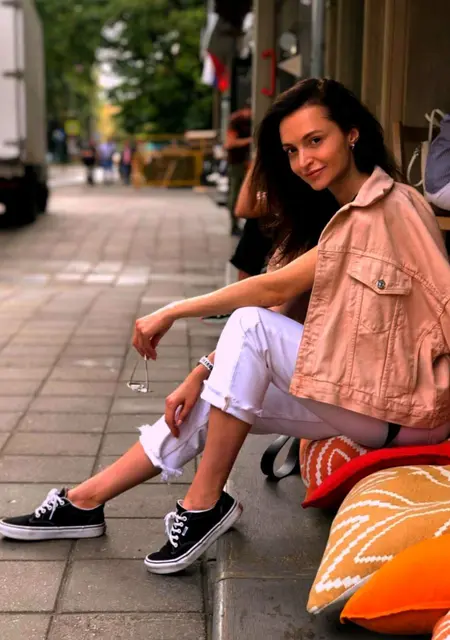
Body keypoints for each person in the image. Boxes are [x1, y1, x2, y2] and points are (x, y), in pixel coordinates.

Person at [3, 79, 450, 579]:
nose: (304, 160)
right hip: (366, 394)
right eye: (291, 150)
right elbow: (288, 310)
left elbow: (269, 293)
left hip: (408, 408)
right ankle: (85, 501)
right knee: (213, 395)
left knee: (249, 325)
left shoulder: (386, 209)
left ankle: (201, 505)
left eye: (315, 141)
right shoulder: (343, 214)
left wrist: (172, 311)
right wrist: (201, 373)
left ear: (351, 134)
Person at [225, 102, 252, 236]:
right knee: (235, 193)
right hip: (236, 162)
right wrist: (249, 140)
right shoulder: (236, 121)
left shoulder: (248, 121)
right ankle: (234, 224)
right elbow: (230, 143)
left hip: (246, 162)